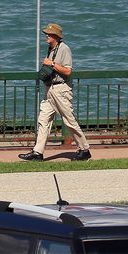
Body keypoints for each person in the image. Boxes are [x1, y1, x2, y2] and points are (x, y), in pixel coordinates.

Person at [18, 23, 92, 162]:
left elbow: (68, 71)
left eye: (49, 34)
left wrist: (51, 64)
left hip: (61, 89)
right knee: (43, 120)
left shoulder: (64, 49)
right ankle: (37, 152)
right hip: (50, 90)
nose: (46, 35)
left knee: (69, 120)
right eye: (46, 33)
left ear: (56, 36)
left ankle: (84, 149)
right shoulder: (51, 49)